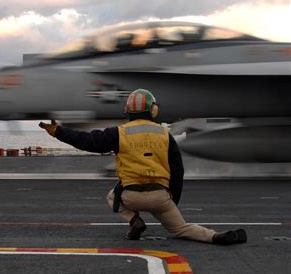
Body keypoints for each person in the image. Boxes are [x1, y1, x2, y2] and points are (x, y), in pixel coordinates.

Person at [39, 88, 247, 245]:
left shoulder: (118, 133)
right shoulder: (165, 134)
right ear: (153, 110)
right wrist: (173, 199)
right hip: (161, 198)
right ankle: (216, 236)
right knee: (181, 229)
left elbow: (86, 141)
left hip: (131, 196)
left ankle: (134, 222)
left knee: (112, 195)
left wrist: (58, 131)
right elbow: (178, 170)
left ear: (128, 111)